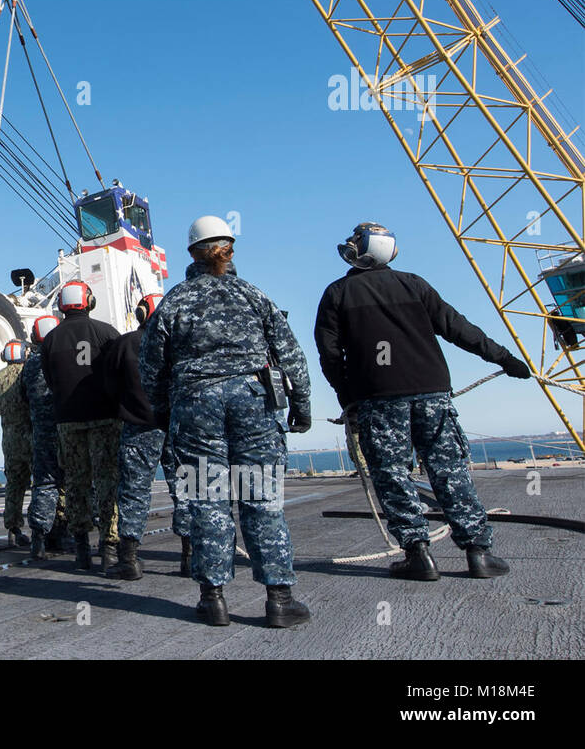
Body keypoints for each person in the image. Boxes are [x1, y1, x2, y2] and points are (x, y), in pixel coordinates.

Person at [314, 222, 532, 580]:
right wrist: (503, 358)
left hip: (377, 399)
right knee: (449, 471)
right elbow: (458, 327)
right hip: (433, 394)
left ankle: (418, 555)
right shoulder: (414, 284)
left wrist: (348, 397)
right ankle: (478, 554)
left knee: (391, 474)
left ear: (361, 249)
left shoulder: (337, 294)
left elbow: (329, 355)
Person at [141, 216, 312, 628]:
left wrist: (163, 412)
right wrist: (301, 407)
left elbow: (151, 370)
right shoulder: (254, 295)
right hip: (253, 403)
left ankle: (213, 598)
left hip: (196, 407)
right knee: (260, 497)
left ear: (191, 253)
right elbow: (291, 356)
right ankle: (279, 599)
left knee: (206, 499)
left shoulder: (175, 301)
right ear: (230, 250)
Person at [104, 293, 189, 580]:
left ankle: (129, 559)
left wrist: (125, 407)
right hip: (178, 428)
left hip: (138, 429)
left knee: (133, 493)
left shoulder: (124, 343)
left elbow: (108, 385)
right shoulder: (178, 345)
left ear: (142, 314)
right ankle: (190, 558)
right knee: (186, 490)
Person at [41, 280, 122, 572]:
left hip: (68, 420)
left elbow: (50, 381)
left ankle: (82, 550)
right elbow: (119, 373)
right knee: (107, 480)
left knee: (75, 483)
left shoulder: (50, 340)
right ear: (88, 300)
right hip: (104, 418)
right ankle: (110, 549)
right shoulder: (107, 333)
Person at [23, 315, 67, 559]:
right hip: (64, 427)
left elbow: (23, 395)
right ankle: (63, 534)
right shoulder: (63, 359)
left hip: (40, 431)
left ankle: (38, 539)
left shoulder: (30, 365)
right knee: (70, 482)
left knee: (44, 483)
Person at [0, 340, 32, 548]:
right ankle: (45, 529)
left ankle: (13, 530)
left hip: (9, 438)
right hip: (31, 435)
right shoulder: (28, 373)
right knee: (44, 483)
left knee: (14, 485)